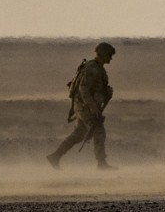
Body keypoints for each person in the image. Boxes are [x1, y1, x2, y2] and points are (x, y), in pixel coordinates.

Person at [47, 42, 118, 171]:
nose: (110, 58)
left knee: (78, 134)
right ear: (102, 54)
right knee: (99, 132)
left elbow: (96, 88)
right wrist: (92, 107)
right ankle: (101, 163)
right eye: (109, 55)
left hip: (85, 106)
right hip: (86, 107)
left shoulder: (98, 68)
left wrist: (106, 92)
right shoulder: (92, 69)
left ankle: (55, 156)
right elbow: (83, 89)